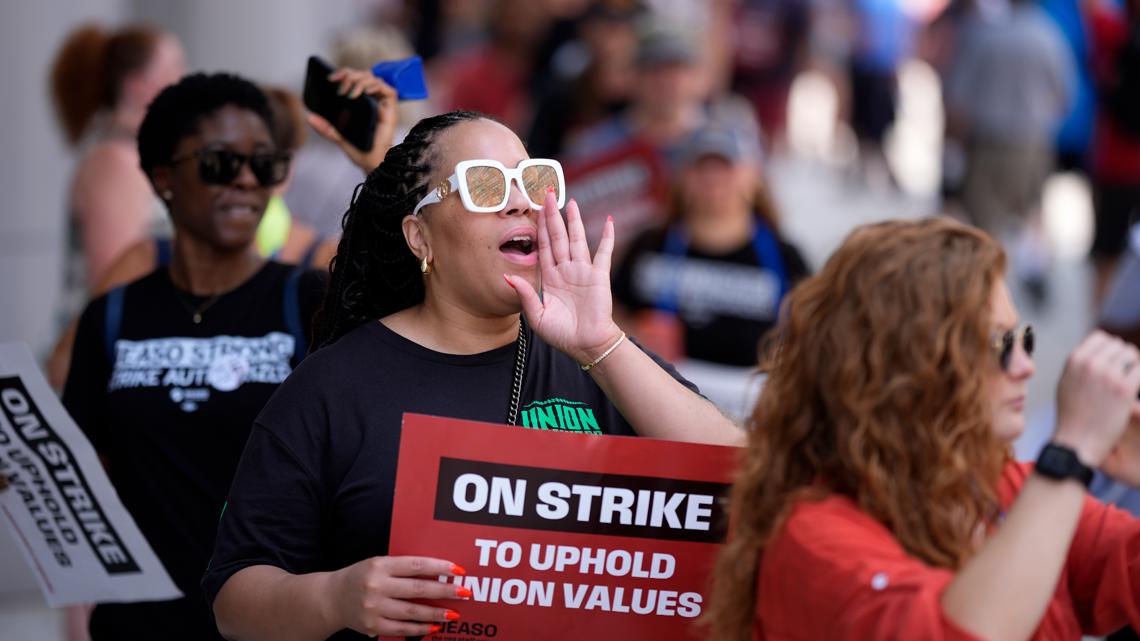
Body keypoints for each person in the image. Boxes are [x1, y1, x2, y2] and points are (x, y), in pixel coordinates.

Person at [203, 110, 743, 640]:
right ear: (420, 238)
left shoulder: (598, 361)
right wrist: (335, 599)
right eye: (485, 185)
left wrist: (600, 342)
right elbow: (235, 598)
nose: (521, 201)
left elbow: (746, 477)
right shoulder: (332, 386)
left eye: (534, 181)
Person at [60, 70, 389, 641]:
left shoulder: (308, 297)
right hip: (141, 625)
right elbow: (80, 475)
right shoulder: (112, 316)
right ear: (163, 178)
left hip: (271, 623)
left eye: (265, 166)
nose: (244, 181)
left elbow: (415, 293)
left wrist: (379, 166)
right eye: (219, 165)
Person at [707, 217, 1140, 641]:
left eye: (1023, 339)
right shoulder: (813, 537)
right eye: (999, 345)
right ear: (906, 367)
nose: (1027, 366)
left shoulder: (997, 487)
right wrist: (1069, 457)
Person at [612, 125, 810, 367]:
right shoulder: (648, 245)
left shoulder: (786, 257)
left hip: (755, 396)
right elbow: (608, 309)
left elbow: (814, 329)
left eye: (727, 166)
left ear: (755, 177)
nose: (713, 178)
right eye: (701, 167)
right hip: (656, 390)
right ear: (681, 177)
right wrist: (630, 331)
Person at [49, 24, 187, 302]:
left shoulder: (131, 157)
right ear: (138, 86)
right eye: (175, 68)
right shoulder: (116, 163)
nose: (183, 80)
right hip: (104, 344)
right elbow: (112, 282)